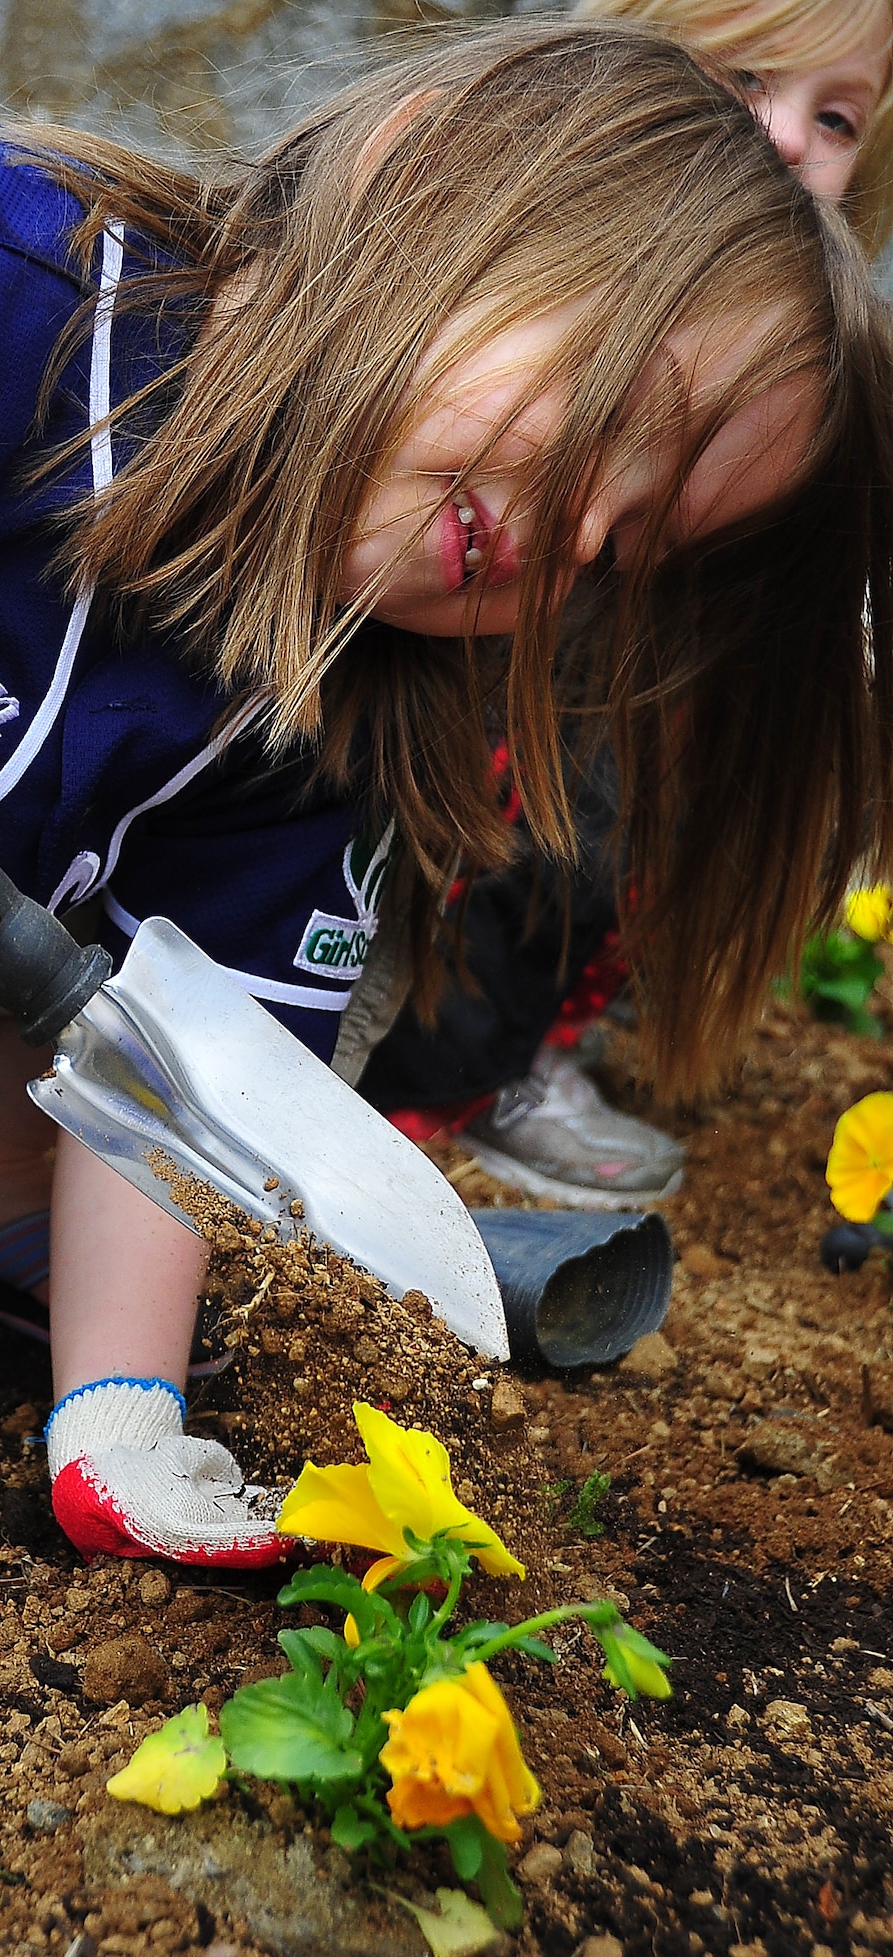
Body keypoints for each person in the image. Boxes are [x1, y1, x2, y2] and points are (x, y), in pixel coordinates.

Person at [0, 19, 891, 1568]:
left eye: (632, 546)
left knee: (338, 954)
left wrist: (119, 1412)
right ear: (429, 182)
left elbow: (202, 1065)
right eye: (617, 424)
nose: (577, 529)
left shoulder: (323, 701)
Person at [361, 0, 893, 1208]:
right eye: (744, 76)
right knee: (495, 817)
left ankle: (526, 1051)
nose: (787, 137)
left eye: (836, 117)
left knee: (613, 818)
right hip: (475, 681)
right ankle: (430, 1060)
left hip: (624, 680)